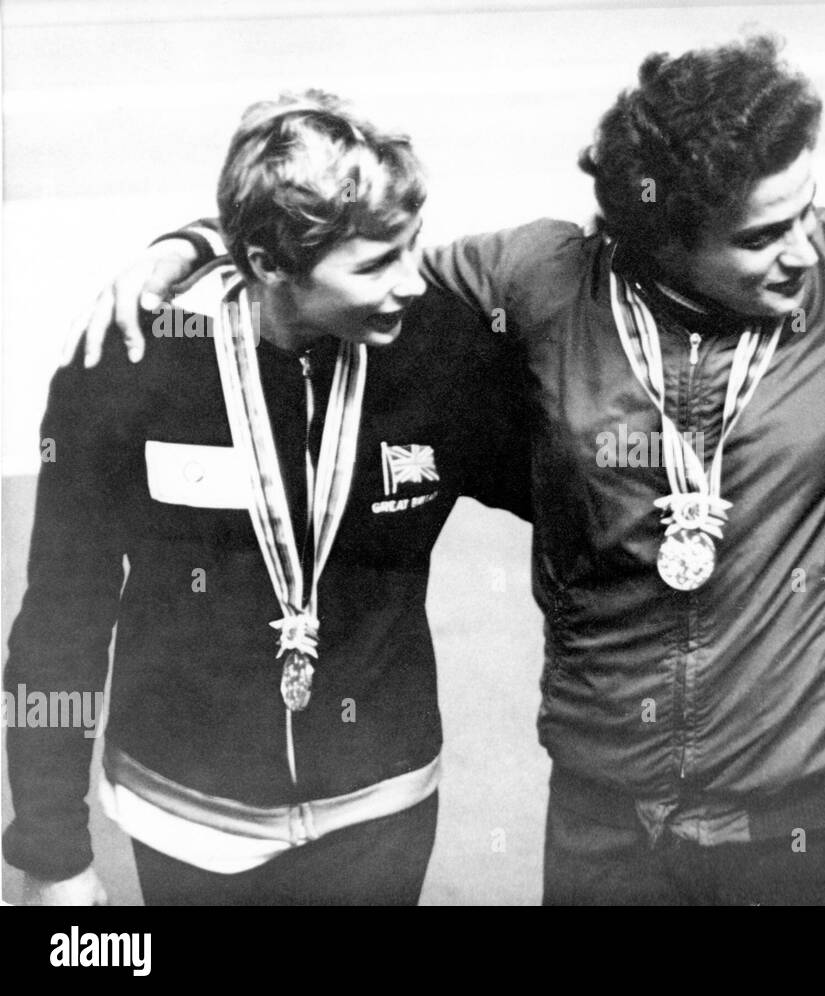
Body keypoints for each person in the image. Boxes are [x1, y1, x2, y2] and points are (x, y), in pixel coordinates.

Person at [69, 37, 825, 905]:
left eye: (804, 212)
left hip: (818, 807)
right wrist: (193, 242)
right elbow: (335, 248)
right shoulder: (539, 282)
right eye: (761, 235)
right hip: (608, 817)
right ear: (661, 236)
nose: (803, 249)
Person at [4, 91, 528, 905]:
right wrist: (50, 847)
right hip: (186, 817)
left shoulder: (441, 355)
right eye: (373, 263)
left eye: (410, 249)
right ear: (271, 264)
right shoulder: (132, 367)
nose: (410, 284)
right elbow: (62, 617)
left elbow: (572, 497)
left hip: (381, 810)